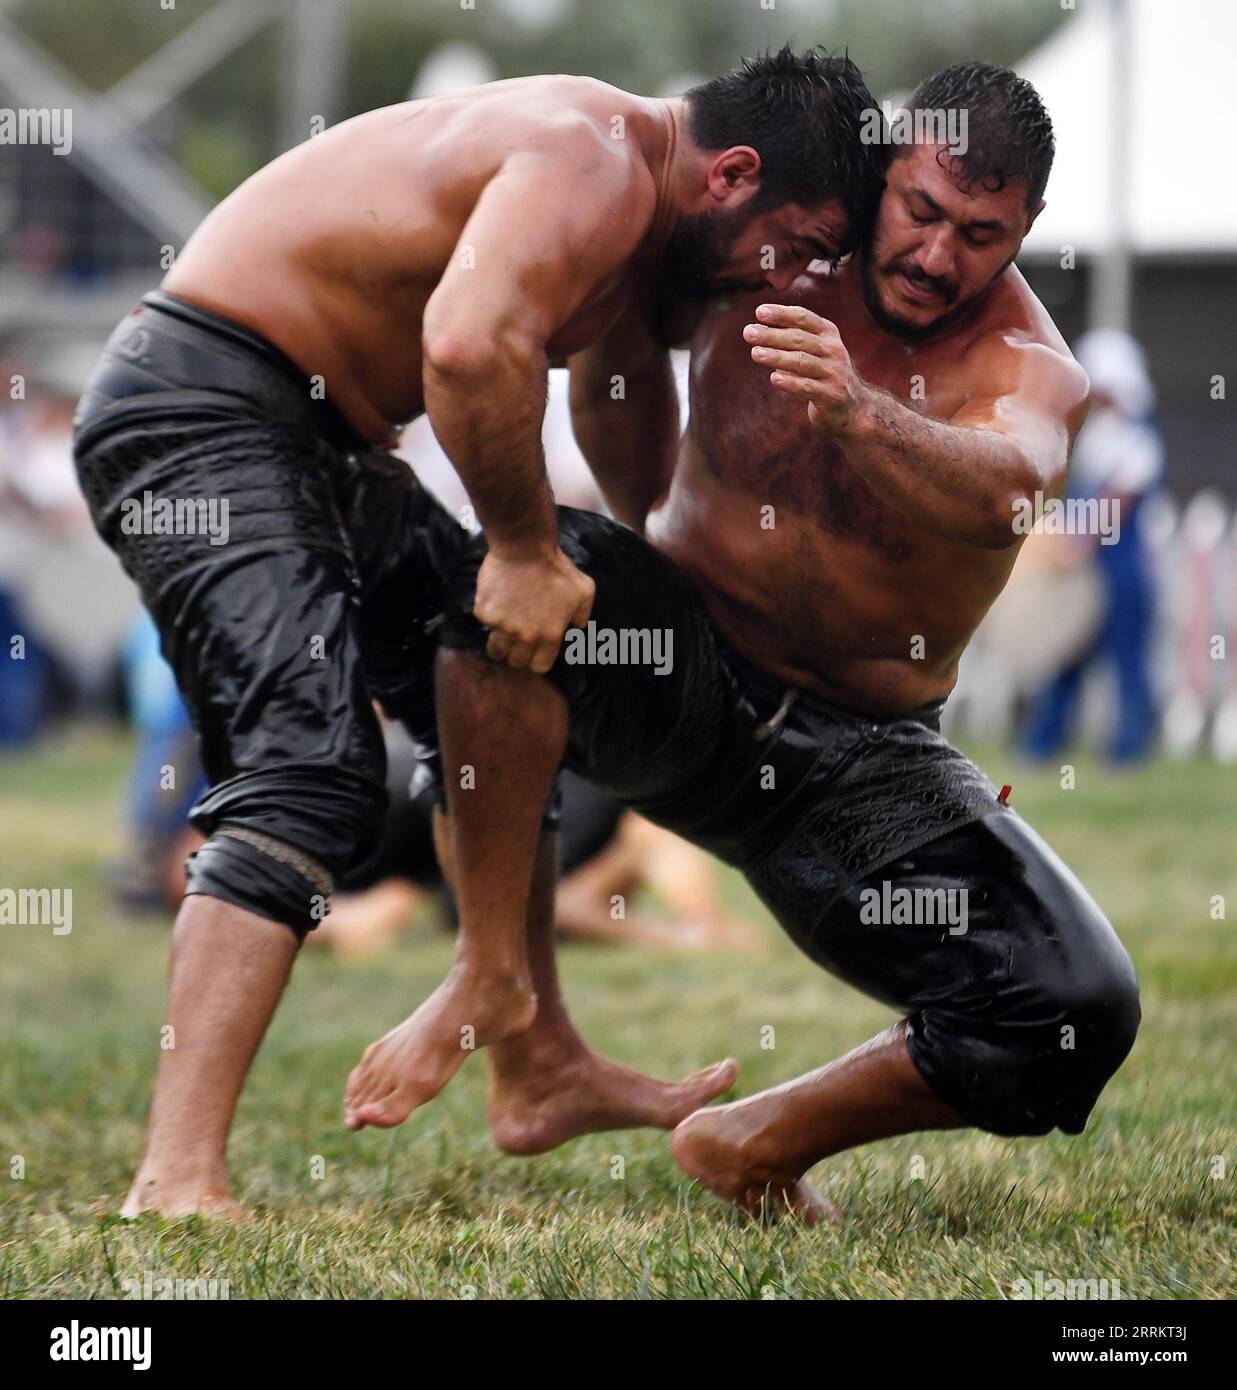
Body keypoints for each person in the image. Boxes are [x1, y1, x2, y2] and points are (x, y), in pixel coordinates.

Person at [70, 48, 886, 1217]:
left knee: (505, 688)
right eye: (797, 244)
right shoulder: (588, 158)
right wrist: (516, 550)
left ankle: (535, 1058)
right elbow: (465, 343)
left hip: (317, 440)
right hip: (196, 408)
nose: (795, 277)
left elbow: (620, 397)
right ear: (735, 173)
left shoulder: (645, 220)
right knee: (307, 766)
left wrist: (643, 556)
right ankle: (176, 1176)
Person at [345, 62, 1140, 1220]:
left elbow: (1006, 487)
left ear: (1025, 230)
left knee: (1075, 1009)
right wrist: (632, 545)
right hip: (689, 669)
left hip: (858, 759)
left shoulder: (1027, 365)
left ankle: (754, 1143)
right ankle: (509, 1005)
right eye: (919, 212)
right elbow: (609, 343)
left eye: (982, 235)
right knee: (507, 576)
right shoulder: (767, 259)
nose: (936, 256)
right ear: (879, 180)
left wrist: (865, 414)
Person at [1020, 328, 1163, 763]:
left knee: (1128, 661)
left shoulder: (1139, 438)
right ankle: (1042, 744)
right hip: (1083, 573)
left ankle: (1129, 750)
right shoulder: (1101, 434)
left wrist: (1075, 541)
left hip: (1121, 573)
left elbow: (1116, 505)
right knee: (1068, 655)